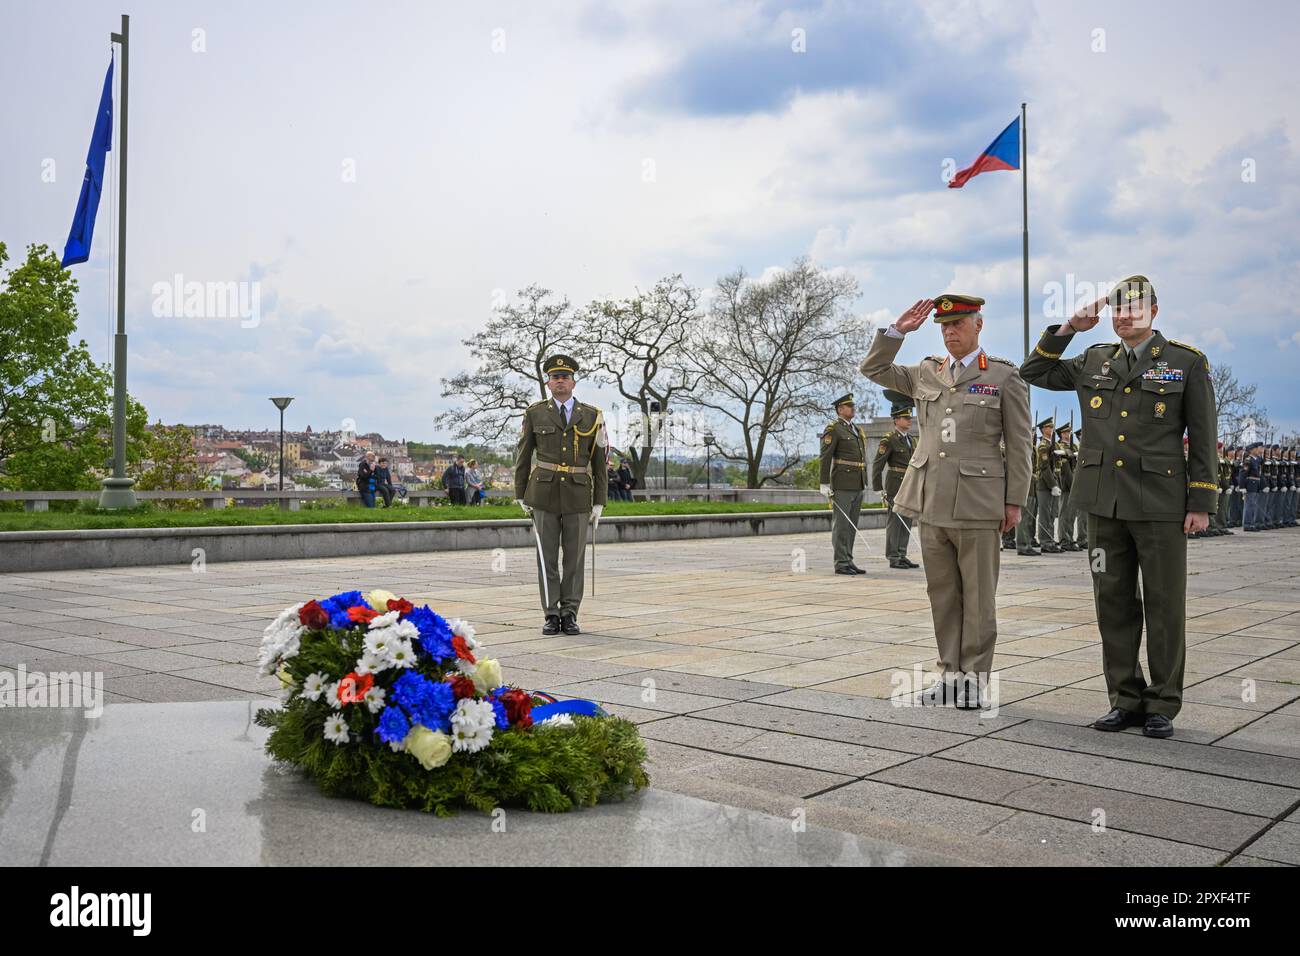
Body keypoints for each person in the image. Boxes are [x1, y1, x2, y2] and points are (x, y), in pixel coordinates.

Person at [1019, 275, 1217, 739]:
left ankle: (1162, 704)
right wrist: (1069, 326)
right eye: (1117, 309)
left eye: (1134, 308)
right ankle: (1124, 698)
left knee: (1164, 603)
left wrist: (1201, 500)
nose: (1124, 316)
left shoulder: (1185, 362)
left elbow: (1203, 435)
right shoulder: (1093, 359)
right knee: (1112, 602)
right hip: (1103, 502)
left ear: (1154, 311)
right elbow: (1035, 373)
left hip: (1161, 505)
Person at [860, 294, 1032, 708]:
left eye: (959, 324)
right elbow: (874, 369)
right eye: (944, 326)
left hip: (978, 501)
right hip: (931, 499)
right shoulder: (927, 372)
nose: (950, 332)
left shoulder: (1005, 377)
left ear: (979, 325)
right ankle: (949, 676)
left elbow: (1021, 444)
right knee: (942, 593)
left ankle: (975, 680)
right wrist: (897, 332)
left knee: (977, 597)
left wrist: (1015, 502)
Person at [514, 354, 608, 635]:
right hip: (542, 493)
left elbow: (599, 461)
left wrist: (600, 500)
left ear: (573, 382)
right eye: (555, 377)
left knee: (574, 560)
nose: (560, 381)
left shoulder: (592, 415)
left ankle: (570, 613)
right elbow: (523, 455)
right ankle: (551, 614)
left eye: (564, 377)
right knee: (546, 558)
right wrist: (520, 492)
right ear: (548, 382)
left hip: (579, 495)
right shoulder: (535, 413)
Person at [819, 394, 870, 575]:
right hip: (842, 482)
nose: (853, 408)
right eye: (849, 406)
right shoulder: (834, 429)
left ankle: (848, 559)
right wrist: (824, 483)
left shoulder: (855, 429)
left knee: (851, 525)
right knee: (841, 524)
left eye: (853, 405)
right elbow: (825, 458)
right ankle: (840, 562)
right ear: (840, 409)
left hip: (857, 482)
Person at [871, 400, 919, 570]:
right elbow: (878, 465)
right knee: (895, 522)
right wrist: (878, 488)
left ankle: (902, 553)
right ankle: (893, 556)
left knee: (906, 521)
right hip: (895, 485)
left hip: (909, 485)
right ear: (896, 420)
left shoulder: (911, 440)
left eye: (909, 417)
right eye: (905, 417)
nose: (909, 420)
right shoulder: (889, 439)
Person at [1034, 417, 1064, 553]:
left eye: (1052, 428)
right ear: (1042, 430)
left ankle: (1050, 540)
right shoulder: (1043, 446)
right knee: (1045, 514)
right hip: (1045, 484)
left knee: (1051, 514)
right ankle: (1045, 542)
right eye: (1048, 428)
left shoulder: (1051, 445)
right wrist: (1053, 485)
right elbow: (1045, 468)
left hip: (1052, 482)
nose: (1051, 430)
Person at [1054, 422, 1082, 551]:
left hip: (1074, 481)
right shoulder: (1058, 445)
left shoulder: (1074, 446)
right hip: (1066, 483)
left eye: (1069, 432)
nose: (1069, 435)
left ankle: (1070, 539)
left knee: (1071, 514)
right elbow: (1064, 467)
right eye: (1066, 433)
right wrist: (1073, 485)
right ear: (1062, 434)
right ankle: (1064, 540)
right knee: (1065, 514)